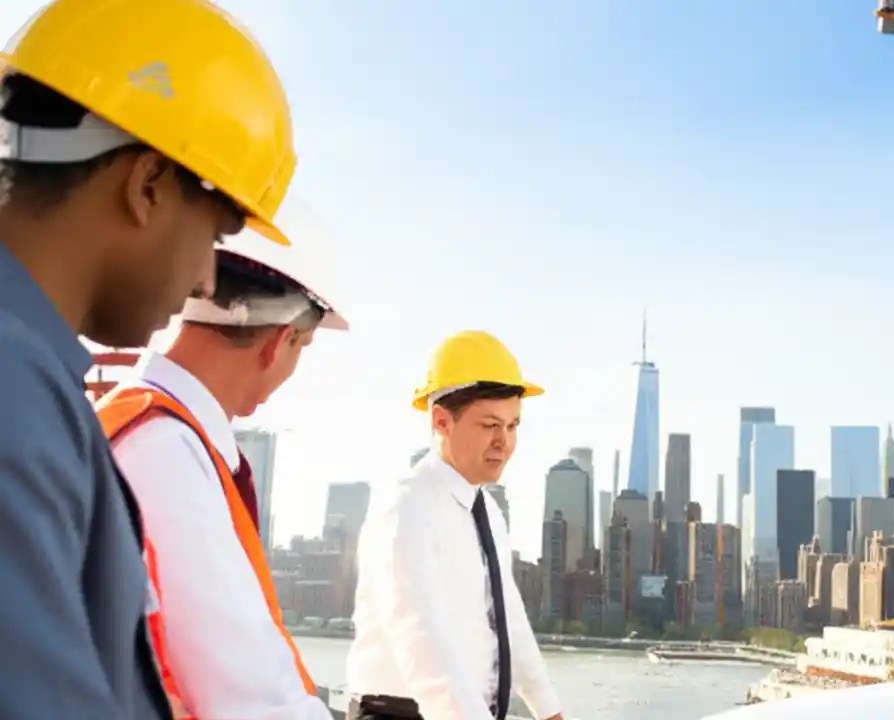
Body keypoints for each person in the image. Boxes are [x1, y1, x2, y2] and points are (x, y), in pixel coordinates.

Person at [0, 0, 295, 717]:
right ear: (149, 186)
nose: (204, 281)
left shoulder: (41, 388)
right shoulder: (17, 395)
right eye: (214, 236)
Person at [95, 199, 346, 719]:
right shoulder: (164, 449)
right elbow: (248, 698)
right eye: (304, 349)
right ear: (281, 342)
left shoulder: (136, 422)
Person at [347, 331, 564, 720]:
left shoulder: (489, 514)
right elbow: (420, 642)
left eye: (513, 426)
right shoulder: (405, 507)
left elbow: (509, 620)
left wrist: (549, 712)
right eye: (490, 425)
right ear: (441, 421)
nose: (505, 442)